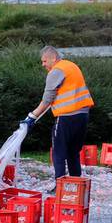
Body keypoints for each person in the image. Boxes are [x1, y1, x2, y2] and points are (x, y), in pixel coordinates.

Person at [25, 46, 94, 191]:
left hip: (66, 117)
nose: (43, 64)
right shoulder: (71, 66)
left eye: (44, 61)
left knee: (58, 152)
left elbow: (47, 99)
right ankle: (76, 186)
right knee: (73, 152)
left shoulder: (56, 71)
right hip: (82, 114)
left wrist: (32, 117)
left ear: (53, 58)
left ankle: (60, 187)